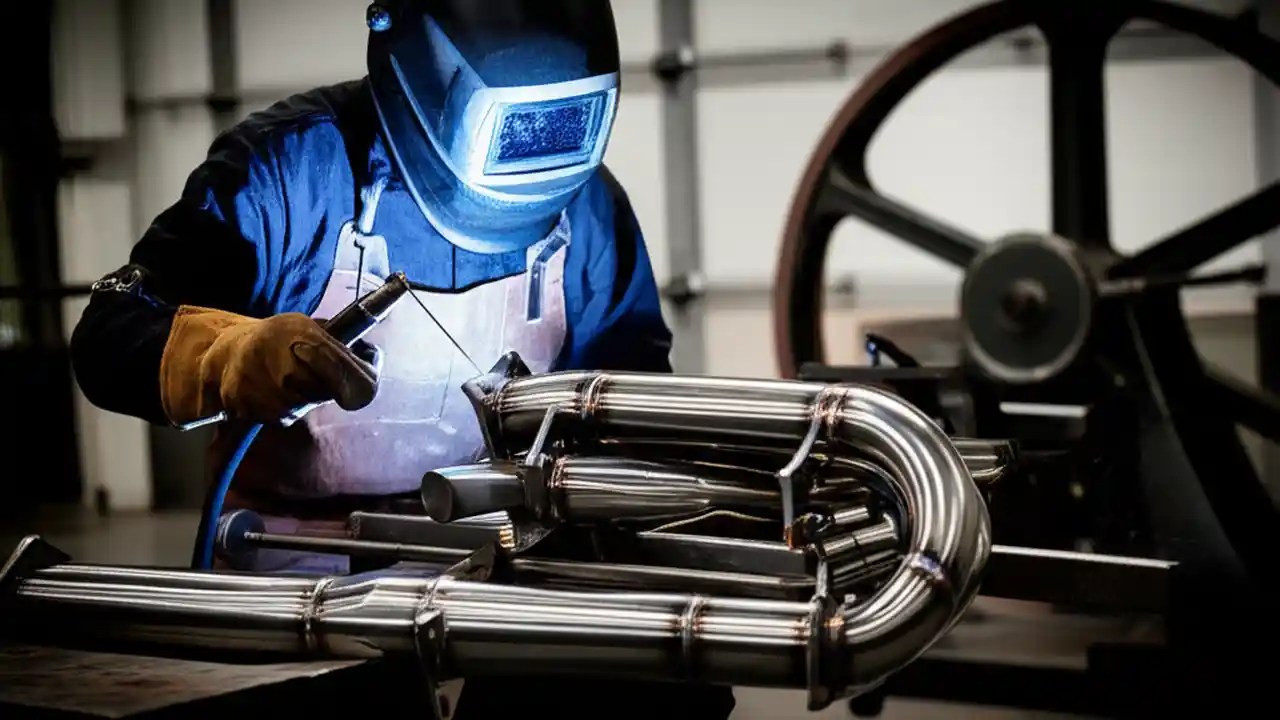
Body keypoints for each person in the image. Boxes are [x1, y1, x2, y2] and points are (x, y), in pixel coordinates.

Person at [70, 1, 734, 717]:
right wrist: (229, 353)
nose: (537, 150)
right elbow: (109, 334)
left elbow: (633, 401)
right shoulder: (293, 173)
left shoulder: (586, 208)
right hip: (295, 574)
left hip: (499, 564)